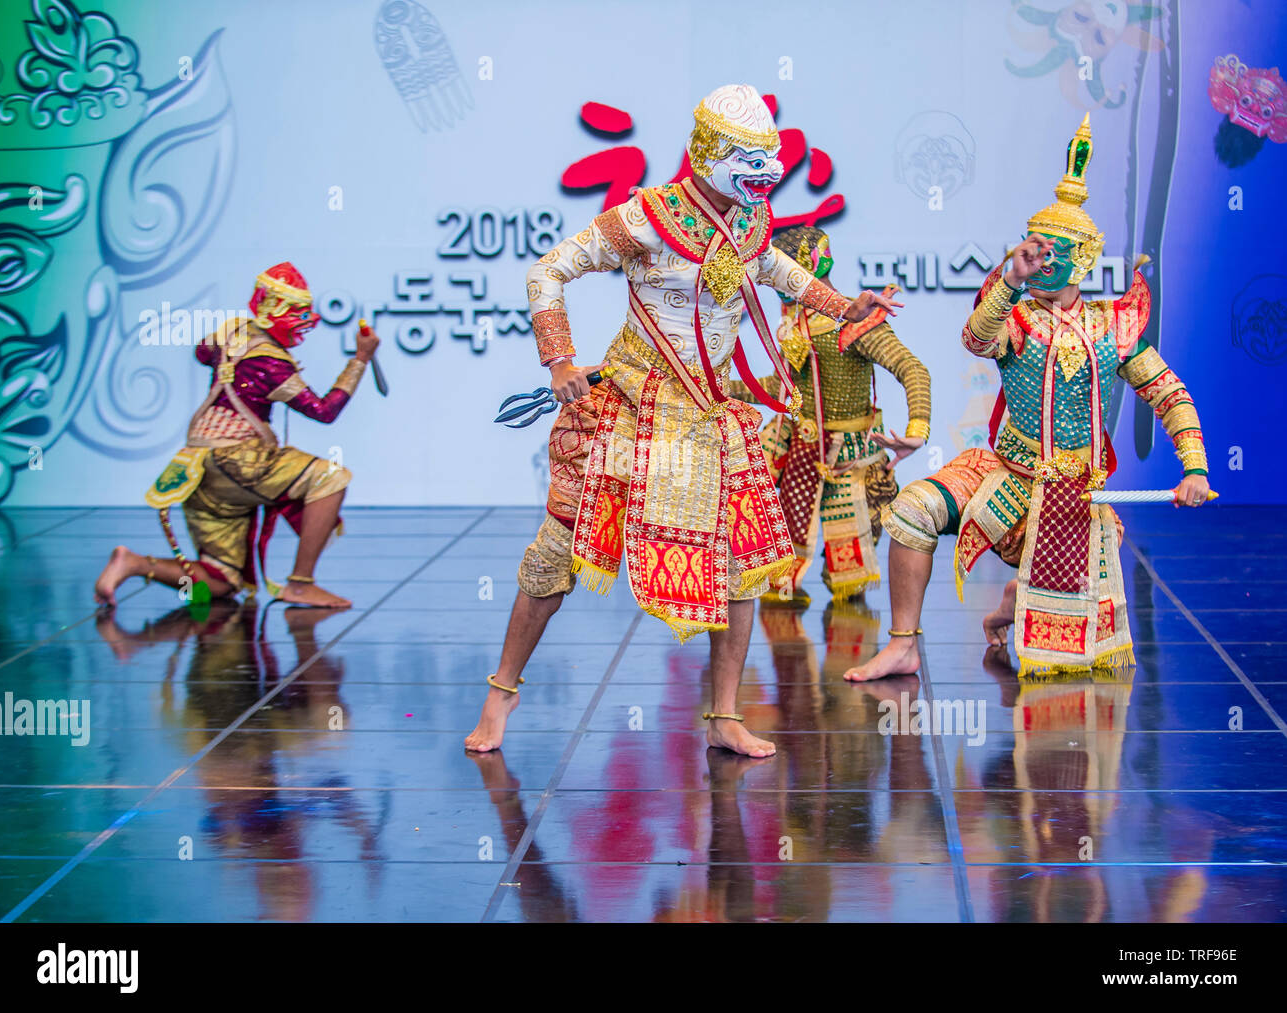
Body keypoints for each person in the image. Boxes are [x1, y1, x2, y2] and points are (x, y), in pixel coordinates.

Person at [465, 84, 902, 757]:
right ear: (709, 153)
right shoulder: (646, 216)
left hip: (711, 414)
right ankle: (501, 692)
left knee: (744, 565)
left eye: (767, 161)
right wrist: (560, 361)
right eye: (748, 161)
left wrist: (844, 306)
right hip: (629, 408)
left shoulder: (752, 218)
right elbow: (547, 271)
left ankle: (724, 715)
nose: (764, 175)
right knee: (556, 550)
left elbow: (773, 267)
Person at [847, 114, 1209, 681]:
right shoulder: (1016, 318)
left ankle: (1012, 602)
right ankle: (903, 645)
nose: (1039, 262)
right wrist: (1009, 282)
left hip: (1076, 494)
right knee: (912, 511)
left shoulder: (1113, 328)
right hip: (1006, 477)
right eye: (1031, 252)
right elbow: (975, 339)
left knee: (1087, 581)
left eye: (1049, 254)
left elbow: (1169, 394)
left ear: (1082, 259)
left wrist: (1195, 469)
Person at [94, 262, 380, 609]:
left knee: (221, 581)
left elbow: (203, 352)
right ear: (276, 309)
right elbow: (323, 411)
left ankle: (134, 563)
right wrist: (360, 359)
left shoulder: (231, 334)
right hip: (239, 459)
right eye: (298, 313)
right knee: (331, 477)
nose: (304, 322)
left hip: (197, 465)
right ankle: (300, 584)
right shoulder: (271, 362)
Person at [733, 225, 930, 604]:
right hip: (798, 443)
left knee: (851, 570)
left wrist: (917, 429)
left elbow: (913, 369)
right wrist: (718, 386)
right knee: (772, 532)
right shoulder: (794, 321)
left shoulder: (856, 321)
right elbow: (782, 386)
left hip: (851, 452)